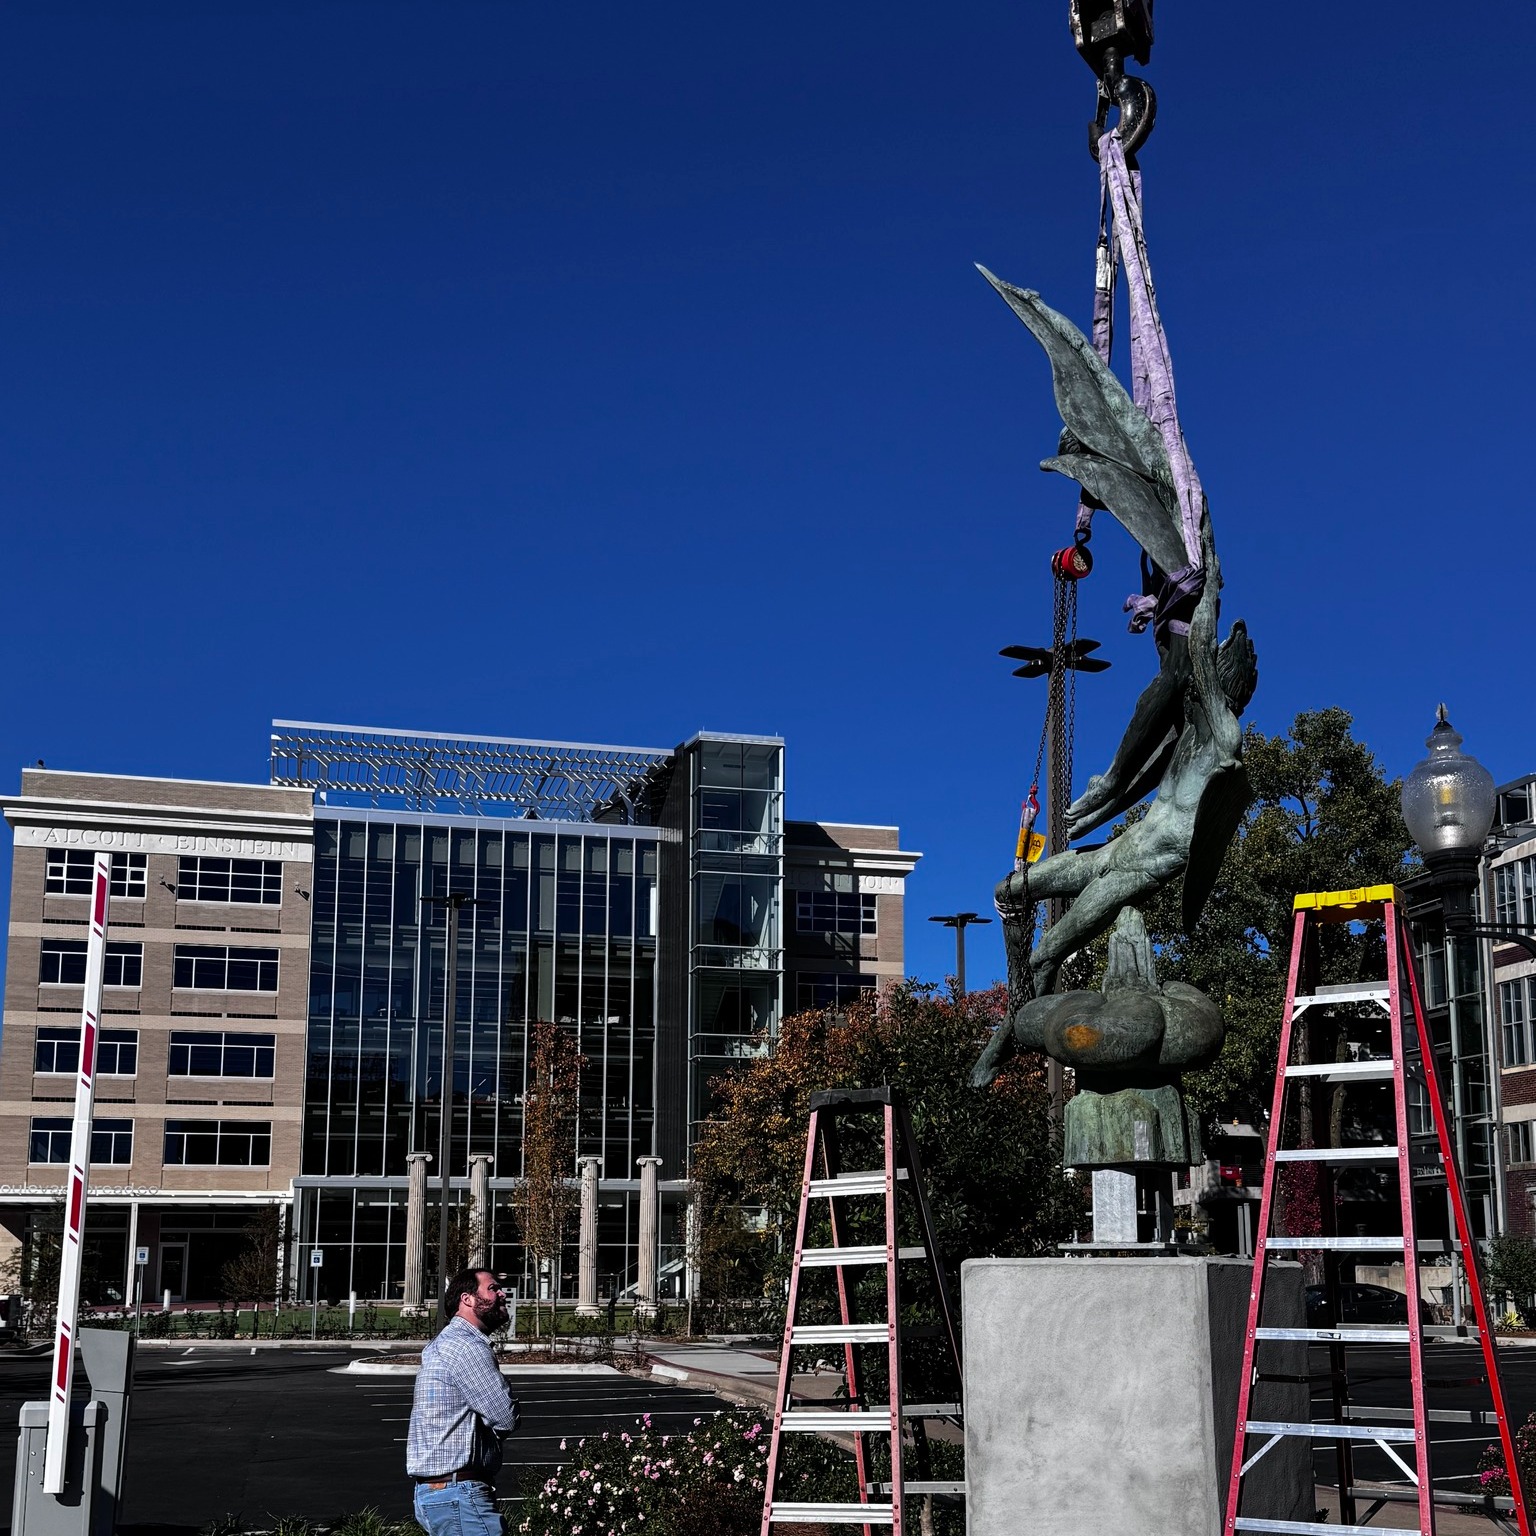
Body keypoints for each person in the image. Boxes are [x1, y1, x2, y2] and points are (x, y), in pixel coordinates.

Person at [407, 1269, 520, 1536]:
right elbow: (506, 1416)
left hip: (440, 1494)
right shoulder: (466, 1346)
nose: (502, 1293)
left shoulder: (443, 1343)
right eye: (493, 1288)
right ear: (467, 1299)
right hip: (459, 1496)